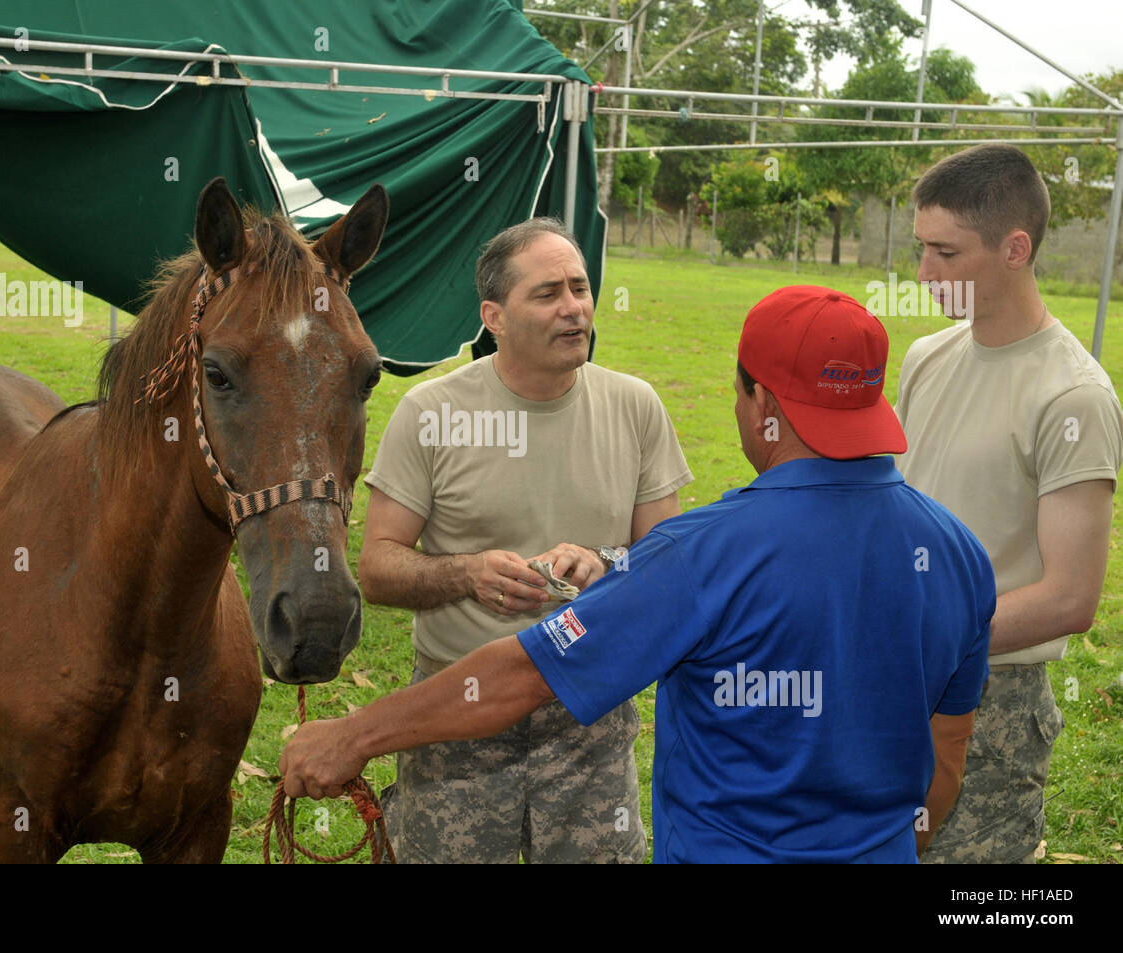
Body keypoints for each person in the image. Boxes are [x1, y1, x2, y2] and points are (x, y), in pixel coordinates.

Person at [283, 285, 996, 863]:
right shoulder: (960, 553)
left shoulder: (705, 554)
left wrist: (352, 736)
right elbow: (947, 755)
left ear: (763, 405)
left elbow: (526, 673)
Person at [354, 217, 692, 863]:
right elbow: (376, 566)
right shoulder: (430, 414)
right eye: (547, 293)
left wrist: (606, 563)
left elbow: (668, 567)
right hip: (457, 717)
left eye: (580, 287)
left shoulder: (636, 406)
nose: (574, 308)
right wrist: (467, 573)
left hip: (588, 720)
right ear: (494, 316)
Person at [897, 144, 1123, 864]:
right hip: (897, 678)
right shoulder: (926, 357)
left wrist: (932, 637)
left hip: (993, 699)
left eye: (945, 252)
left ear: (1015, 248)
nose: (924, 274)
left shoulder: (1073, 396)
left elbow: (1070, 598)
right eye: (921, 249)